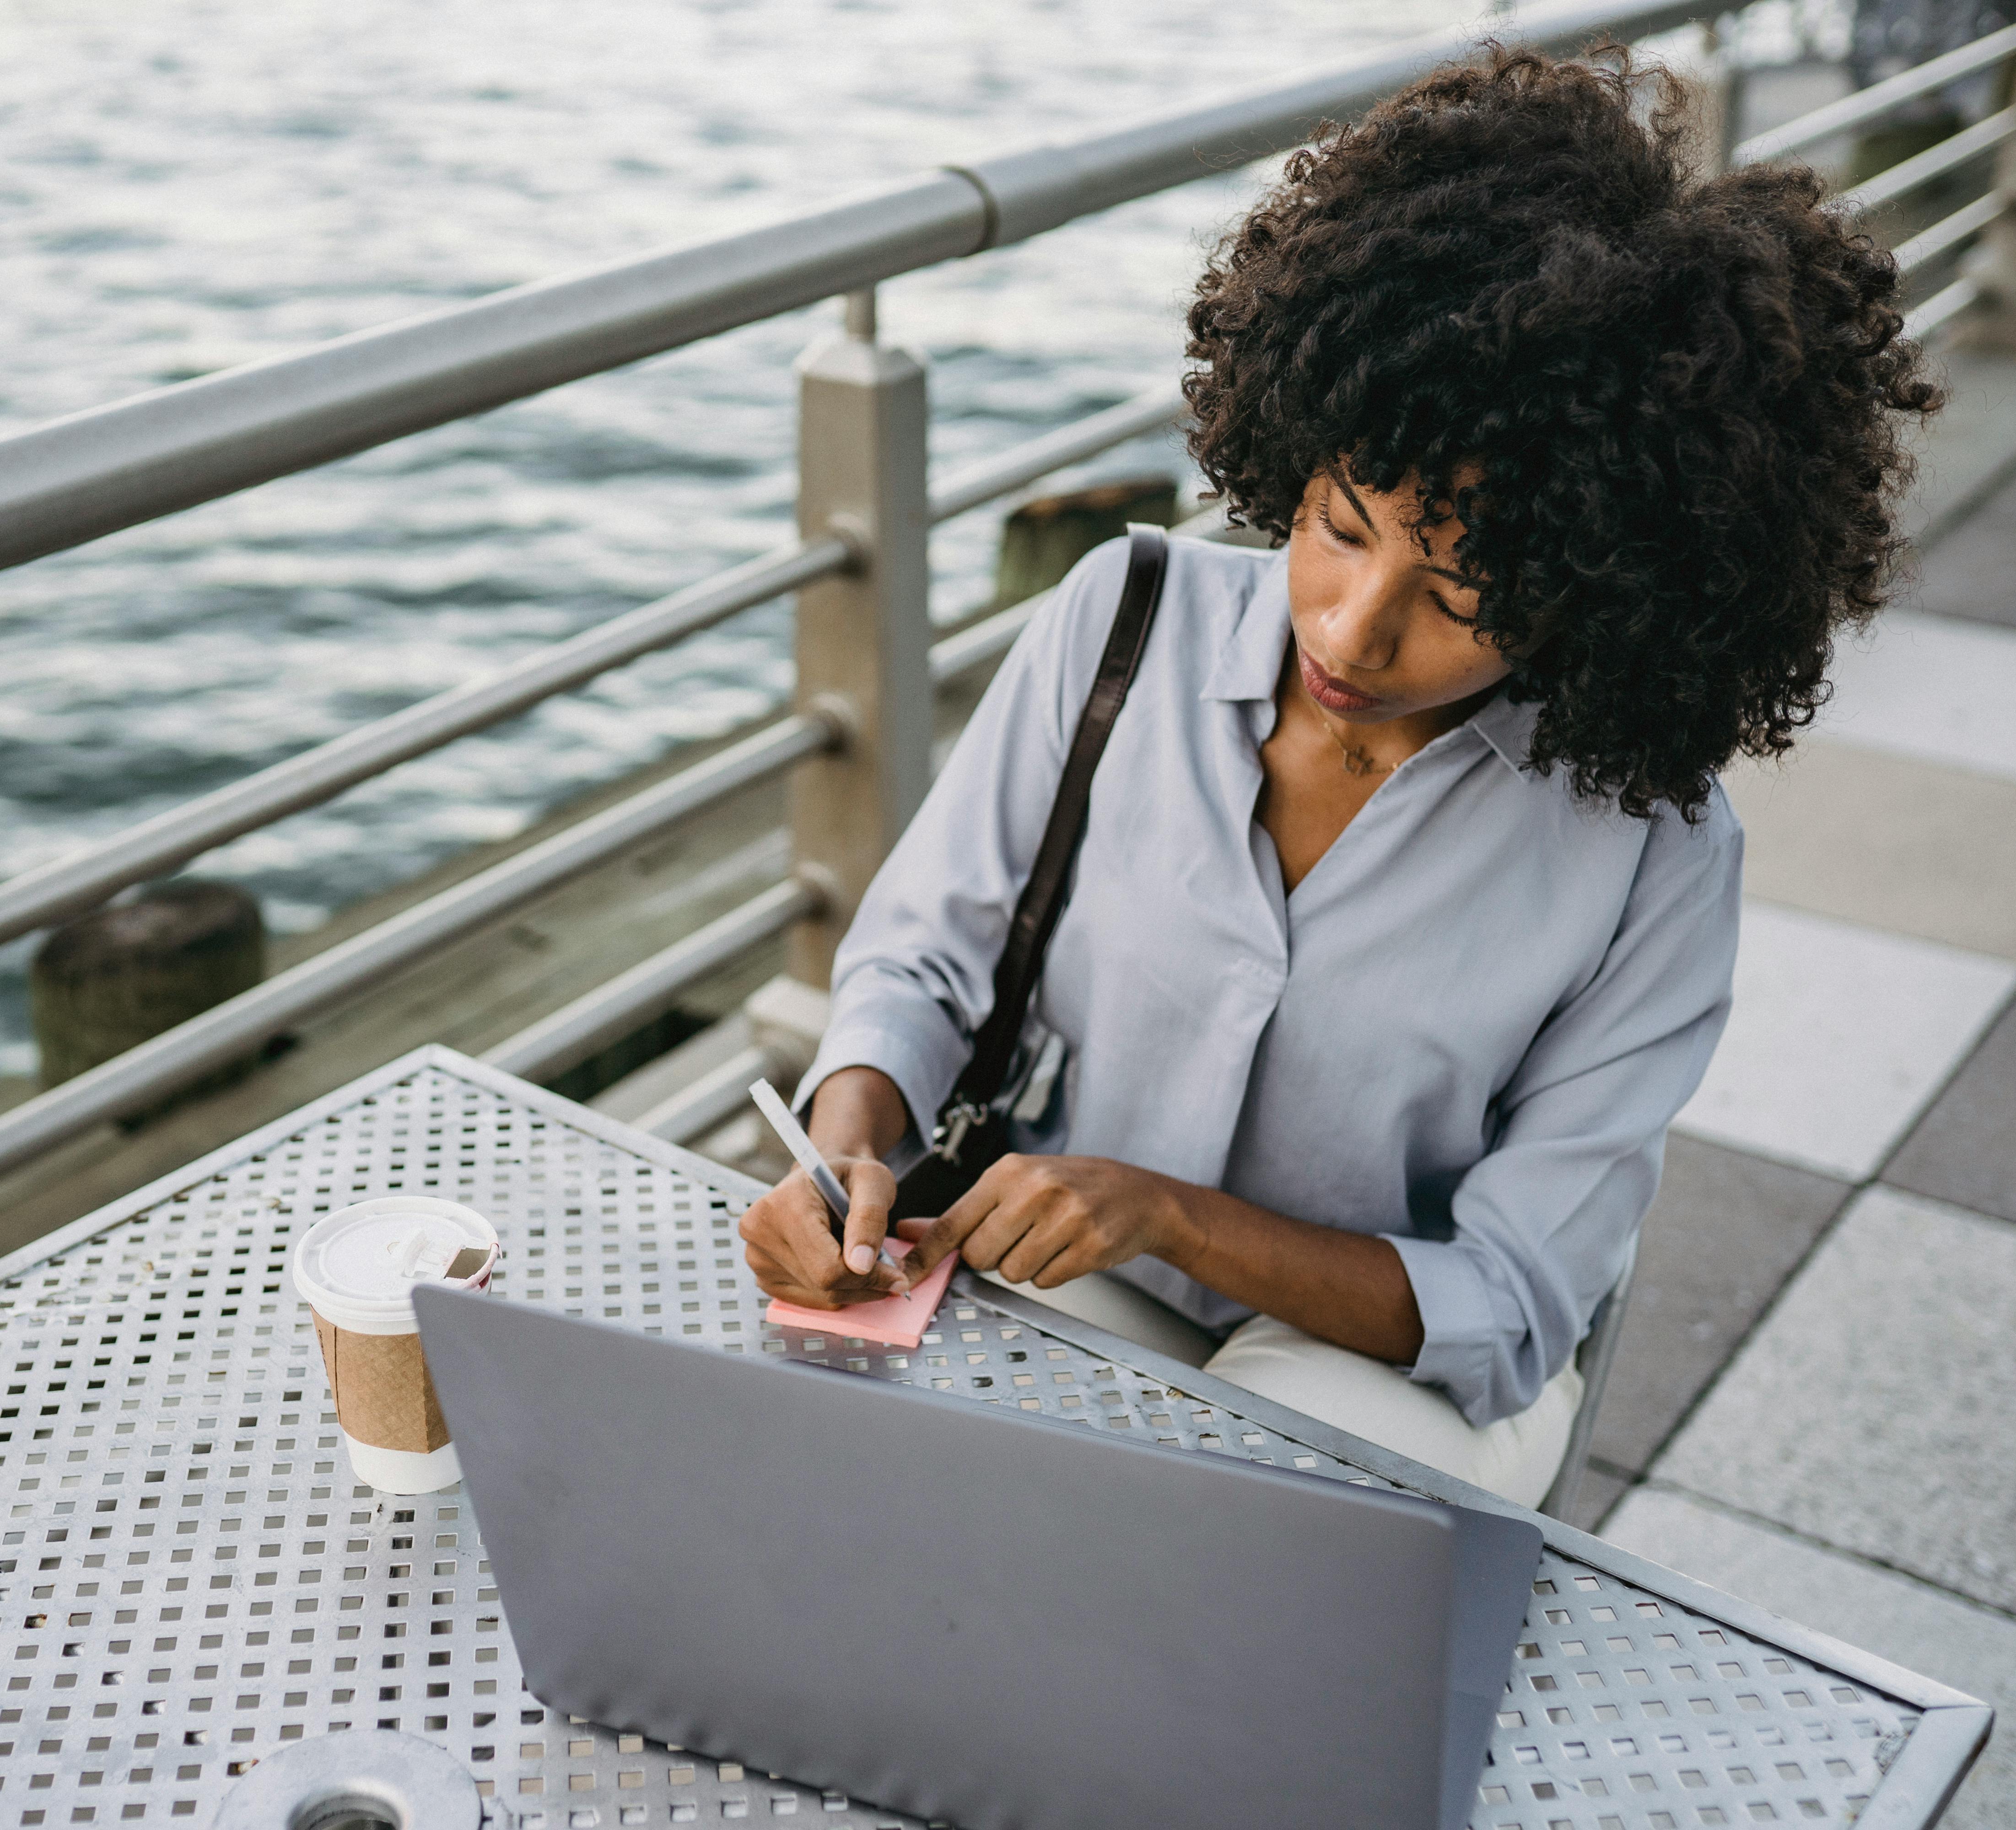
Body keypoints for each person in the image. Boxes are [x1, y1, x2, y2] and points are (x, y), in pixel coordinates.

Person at [737, 46, 1940, 1506]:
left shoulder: (1653, 858)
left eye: (1460, 594)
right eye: (1340, 522)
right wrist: (842, 1144)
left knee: (1247, 1535)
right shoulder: (1125, 623)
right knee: (907, 1487)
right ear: (1292, 450)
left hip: (1394, 1364)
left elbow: (1504, 1307)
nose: (1352, 630)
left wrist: (1174, 1217)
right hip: (1075, 1272)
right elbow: (923, 964)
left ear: (1601, 584)